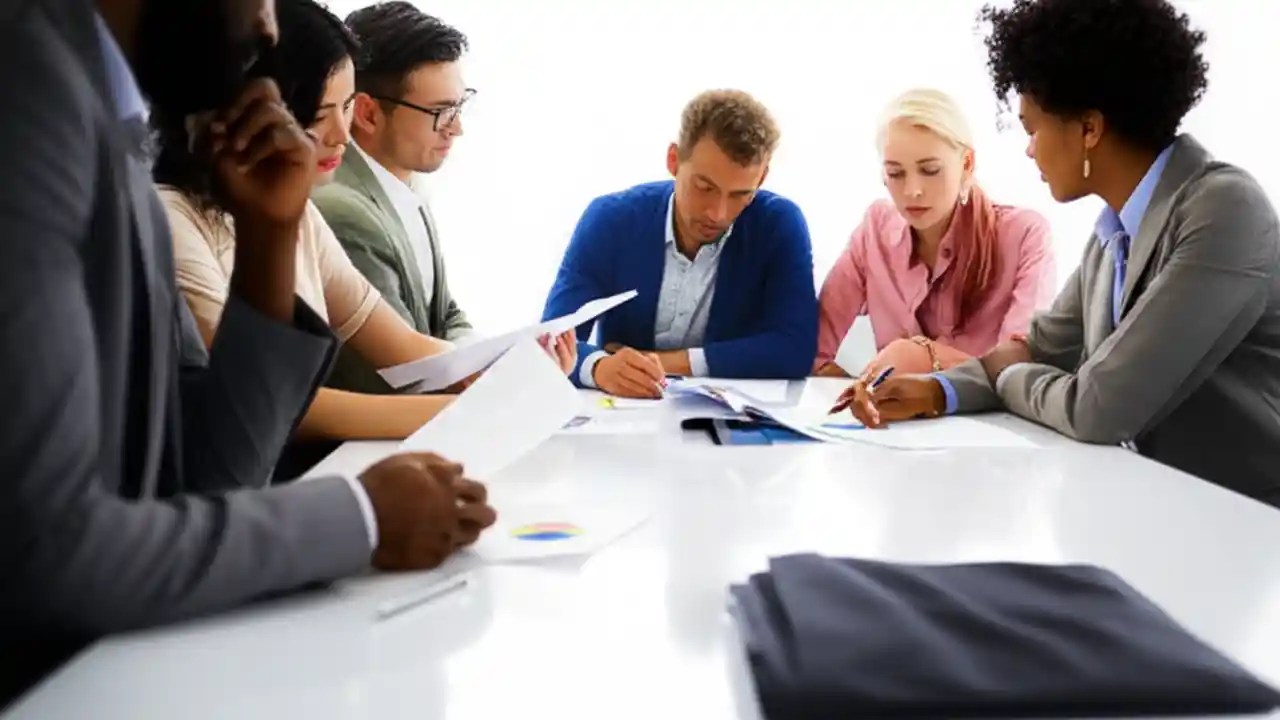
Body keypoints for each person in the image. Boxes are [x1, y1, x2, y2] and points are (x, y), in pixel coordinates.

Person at [0, 0, 495, 702]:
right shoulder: (28, 98)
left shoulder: (107, 127)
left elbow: (211, 479)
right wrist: (359, 518)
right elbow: (46, 556)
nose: (270, 27)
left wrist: (270, 235)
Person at [840, 0, 1280, 507]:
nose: (1029, 150)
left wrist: (1004, 375)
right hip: (1149, 504)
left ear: (1089, 129)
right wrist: (939, 390)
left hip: (1245, 522)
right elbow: (1041, 347)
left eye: (1032, 128)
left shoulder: (1223, 209)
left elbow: (1098, 406)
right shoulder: (1112, 235)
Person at [153, 0, 576, 449]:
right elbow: (270, 403)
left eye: (348, 106)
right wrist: (474, 409)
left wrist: (511, 374)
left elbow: (407, 348)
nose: (342, 133)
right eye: (319, 114)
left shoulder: (302, 215)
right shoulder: (174, 219)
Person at [542, 89, 819, 399]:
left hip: (726, 431)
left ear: (762, 178)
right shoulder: (611, 219)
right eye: (704, 187)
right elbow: (552, 338)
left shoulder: (779, 225)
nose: (719, 213)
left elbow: (795, 349)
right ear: (673, 160)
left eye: (741, 195)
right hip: (622, 421)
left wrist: (664, 362)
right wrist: (598, 368)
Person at [814, 89, 1055, 378]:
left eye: (929, 170)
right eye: (896, 173)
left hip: (983, 421)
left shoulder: (1025, 234)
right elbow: (814, 351)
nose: (912, 190)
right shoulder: (875, 229)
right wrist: (853, 396)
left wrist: (926, 356)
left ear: (966, 164)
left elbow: (1019, 370)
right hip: (894, 421)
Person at [312, 2, 477, 394]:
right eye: (441, 112)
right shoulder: (343, 211)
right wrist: (494, 377)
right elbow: (393, 378)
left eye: (460, 105)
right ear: (367, 113)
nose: (457, 129)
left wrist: (487, 358)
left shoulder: (409, 185)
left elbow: (447, 315)